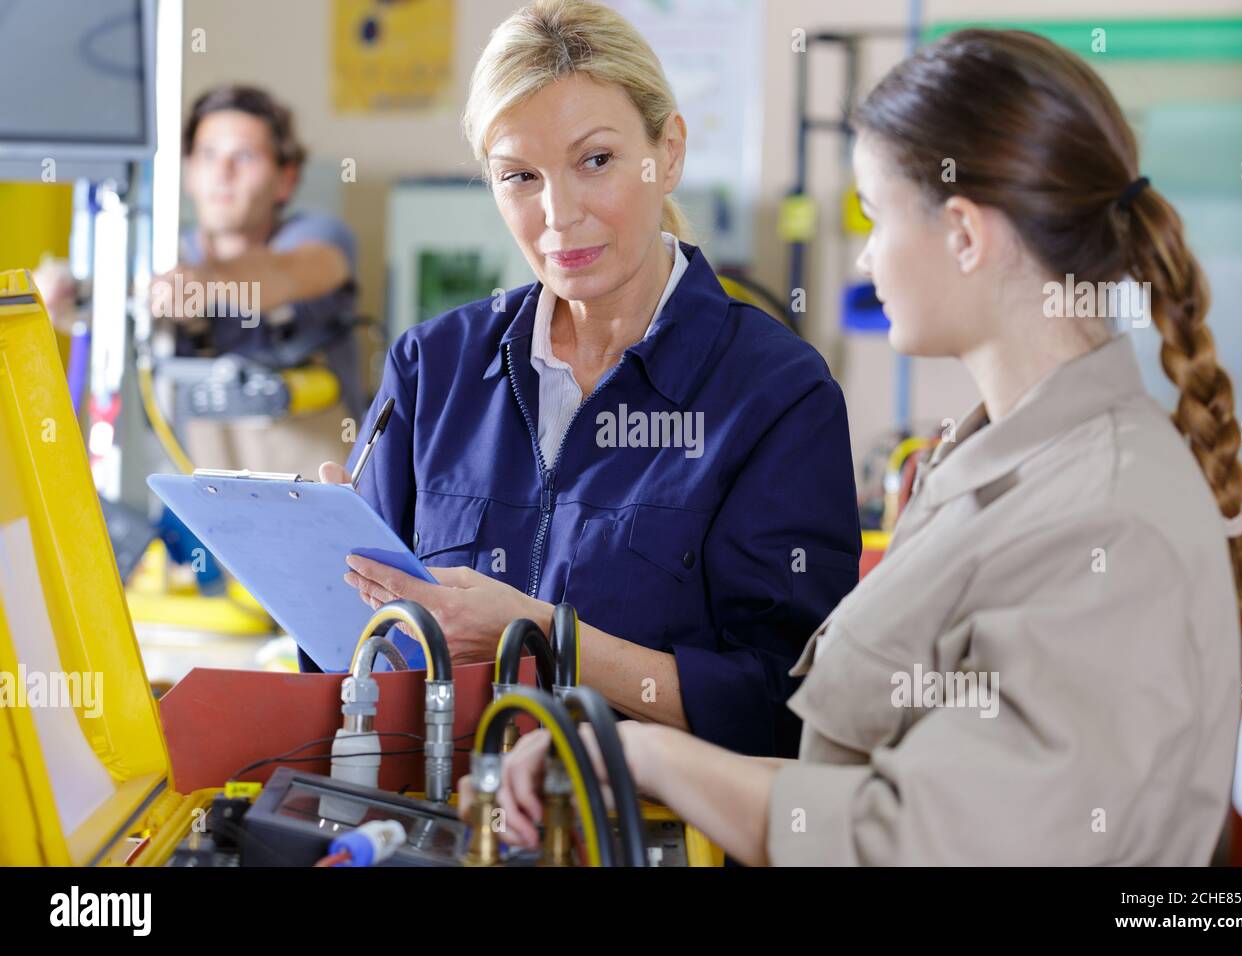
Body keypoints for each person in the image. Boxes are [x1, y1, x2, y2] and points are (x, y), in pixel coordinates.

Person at [467, 28, 1242, 864]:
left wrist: (637, 752)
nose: (864, 255)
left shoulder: (1106, 521)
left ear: (965, 235)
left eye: (876, 214)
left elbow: (915, 843)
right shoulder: (990, 464)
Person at [317, 0, 861, 758]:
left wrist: (542, 636)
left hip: (645, 830)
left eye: (595, 161)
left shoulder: (775, 395)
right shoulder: (430, 367)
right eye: (519, 176)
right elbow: (345, 664)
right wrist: (322, 559)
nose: (558, 215)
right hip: (444, 816)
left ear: (667, 151)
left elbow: (790, 709)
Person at [152, 85, 364, 474]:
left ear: (286, 179)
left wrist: (210, 279)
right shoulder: (160, 255)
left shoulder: (320, 238)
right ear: (188, 173)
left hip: (318, 504)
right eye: (208, 154)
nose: (222, 172)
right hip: (200, 510)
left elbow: (284, 273)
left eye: (244, 156)